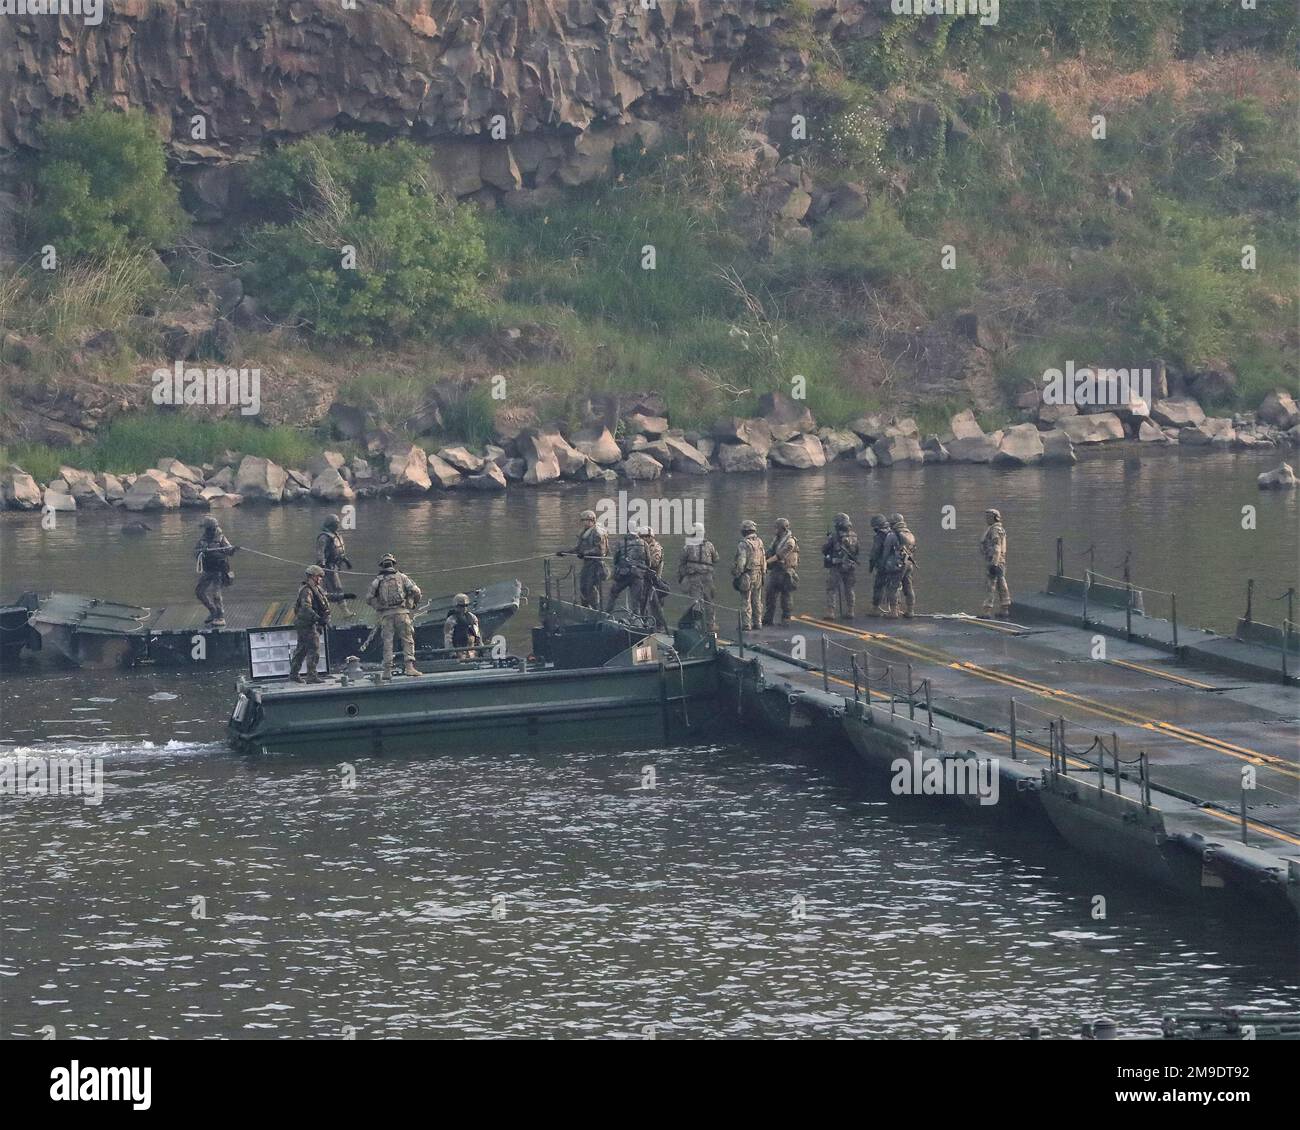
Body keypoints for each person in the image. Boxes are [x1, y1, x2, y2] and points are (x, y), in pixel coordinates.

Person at [365, 553, 423, 678]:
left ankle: (387, 670)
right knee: (407, 640)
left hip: (386, 615)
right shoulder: (402, 577)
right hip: (402, 613)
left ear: (382, 565)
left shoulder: (378, 580)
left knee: (387, 642)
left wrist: (378, 607)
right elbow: (416, 591)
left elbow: (369, 598)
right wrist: (413, 603)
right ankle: (409, 668)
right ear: (393, 563)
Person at [289, 565, 330, 683]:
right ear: (313, 576)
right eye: (319, 577)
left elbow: (324, 599)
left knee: (301, 649)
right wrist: (318, 619)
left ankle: (294, 674)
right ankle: (311, 675)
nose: (320, 579)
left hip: (307, 623)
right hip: (307, 624)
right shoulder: (307, 590)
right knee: (313, 648)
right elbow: (306, 607)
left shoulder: (316, 589)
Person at [194, 516, 237, 627]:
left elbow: (229, 551)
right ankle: (213, 611)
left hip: (219, 571)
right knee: (199, 592)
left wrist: (233, 549)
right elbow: (196, 553)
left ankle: (220, 617)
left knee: (216, 594)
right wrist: (201, 552)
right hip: (208, 570)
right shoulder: (203, 540)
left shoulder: (221, 538)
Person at [563, 509, 609, 609]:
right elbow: (579, 547)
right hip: (587, 563)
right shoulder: (584, 532)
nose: (584, 522)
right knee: (583, 586)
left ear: (592, 520)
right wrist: (565, 552)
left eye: (585, 520)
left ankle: (595, 609)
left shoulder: (597, 532)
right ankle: (585, 607)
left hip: (596, 564)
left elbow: (600, 550)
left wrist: (585, 553)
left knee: (591, 587)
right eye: (583, 520)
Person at [677, 524, 719, 633]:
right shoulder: (710, 545)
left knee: (695, 602)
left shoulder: (688, 546)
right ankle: (711, 625)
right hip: (708, 577)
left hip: (694, 577)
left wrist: (681, 576)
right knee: (709, 602)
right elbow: (716, 559)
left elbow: (682, 561)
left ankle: (696, 625)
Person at [822, 512, 859, 620]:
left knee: (831, 589)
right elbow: (857, 551)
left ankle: (830, 612)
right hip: (850, 566)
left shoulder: (834, 536)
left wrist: (829, 540)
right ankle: (851, 611)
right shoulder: (854, 536)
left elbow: (824, 549)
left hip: (836, 566)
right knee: (849, 589)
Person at [606, 528, 651, 616]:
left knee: (613, 592)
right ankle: (637, 620)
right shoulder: (644, 543)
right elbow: (648, 562)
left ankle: (606, 614)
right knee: (636, 601)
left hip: (624, 574)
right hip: (638, 575)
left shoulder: (621, 543)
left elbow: (615, 560)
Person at [763, 518, 800, 626]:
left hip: (786, 571)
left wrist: (766, 562)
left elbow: (781, 555)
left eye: (777, 528)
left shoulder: (790, 541)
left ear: (782, 528)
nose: (775, 530)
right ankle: (768, 619)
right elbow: (770, 551)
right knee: (770, 595)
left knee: (786, 596)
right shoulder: (776, 540)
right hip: (776, 570)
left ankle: (786, 618)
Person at [732, 519, 766, 630]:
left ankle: (746, 624)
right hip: (759, 574)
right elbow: (763, 558)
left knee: (746, 600)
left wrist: (737, 574)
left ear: (745, 530)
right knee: (757, 599)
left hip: (747, 575)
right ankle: (758, 622)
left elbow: (741, 561)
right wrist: (763, 573)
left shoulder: (743, 544)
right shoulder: (759, 542)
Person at [881, 512, 917, 618]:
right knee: (908, 587)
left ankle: (893, 612)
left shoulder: (892, 535)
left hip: (897, 565)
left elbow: (886, 552)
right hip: (909, 564)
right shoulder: (910, 534)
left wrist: (883, 565)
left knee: (892, 587)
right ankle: (910, 611)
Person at [315, 514, 352, 610]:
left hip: (335, 566)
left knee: (327, 589)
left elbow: (339, 551)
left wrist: (345, 560)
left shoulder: (336, 535)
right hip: (328, 567)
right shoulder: (324, 537)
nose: (338, 525)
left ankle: (323, 608)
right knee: (337, 588)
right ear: (330, 524)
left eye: (338, 523)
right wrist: (322, 564)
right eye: (336, 523)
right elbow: (320, 552)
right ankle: (344, 610)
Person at [980, 508, 1011, 618]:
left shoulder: (994, 530)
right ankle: (1005, 608)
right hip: (1000, 560)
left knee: (991, 585)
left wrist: (994, 563)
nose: (987, 519)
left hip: (994, 560)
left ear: (995, 518)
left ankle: (987, 610)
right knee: (1001, 583)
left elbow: (997, 547)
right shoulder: (1000, 529)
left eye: (989, 517)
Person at [639, 526, 668, 629]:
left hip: (653, 580)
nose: (643, 539)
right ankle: (643, 623)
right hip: (644, 579)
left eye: (646, 536)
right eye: (642, 537)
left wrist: (640, 562)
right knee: (642, 603)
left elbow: (654, 563)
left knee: (656, 605)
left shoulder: (656, 548)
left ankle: (659, 627)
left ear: (650, 537)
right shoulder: (642, 546)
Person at [444, 592, 484, 657]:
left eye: (466, 605)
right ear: (456, 605)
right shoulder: (451, 620)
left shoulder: (472, 617)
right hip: (459, 650)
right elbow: (448, 638)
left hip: (471, 650)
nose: (464, 608)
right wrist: (452, 653)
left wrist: (481, 648)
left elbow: (477, 634)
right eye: (461, 606)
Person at [866, 514, 890, 616]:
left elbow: (875, 552)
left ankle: (875, 609)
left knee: (878, 587)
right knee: (893, 587)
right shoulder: (893, 532)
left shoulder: (879, 536)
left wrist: (871, 565)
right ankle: (894, 609)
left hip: (882, 565)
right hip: (895, 565)